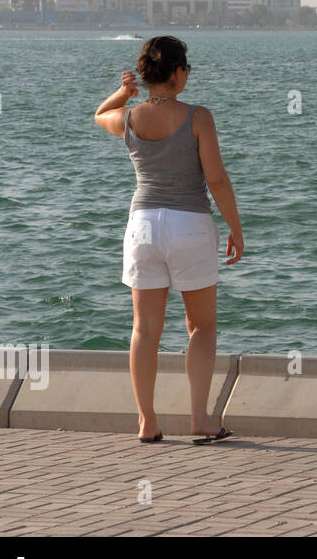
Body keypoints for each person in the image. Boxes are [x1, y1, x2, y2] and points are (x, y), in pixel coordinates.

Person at [93, 36, 244, 444]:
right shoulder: (198, 117)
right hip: (189, 225)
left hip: (142, 226)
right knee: (202, 326)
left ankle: (147, 422)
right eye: (187, 68)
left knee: (145, 329)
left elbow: (98, 114)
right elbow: (216, 179)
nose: (188, 74)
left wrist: (124, 93)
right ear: (177, 74)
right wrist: (236, 227)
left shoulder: (129, 118)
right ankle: (200, 418)